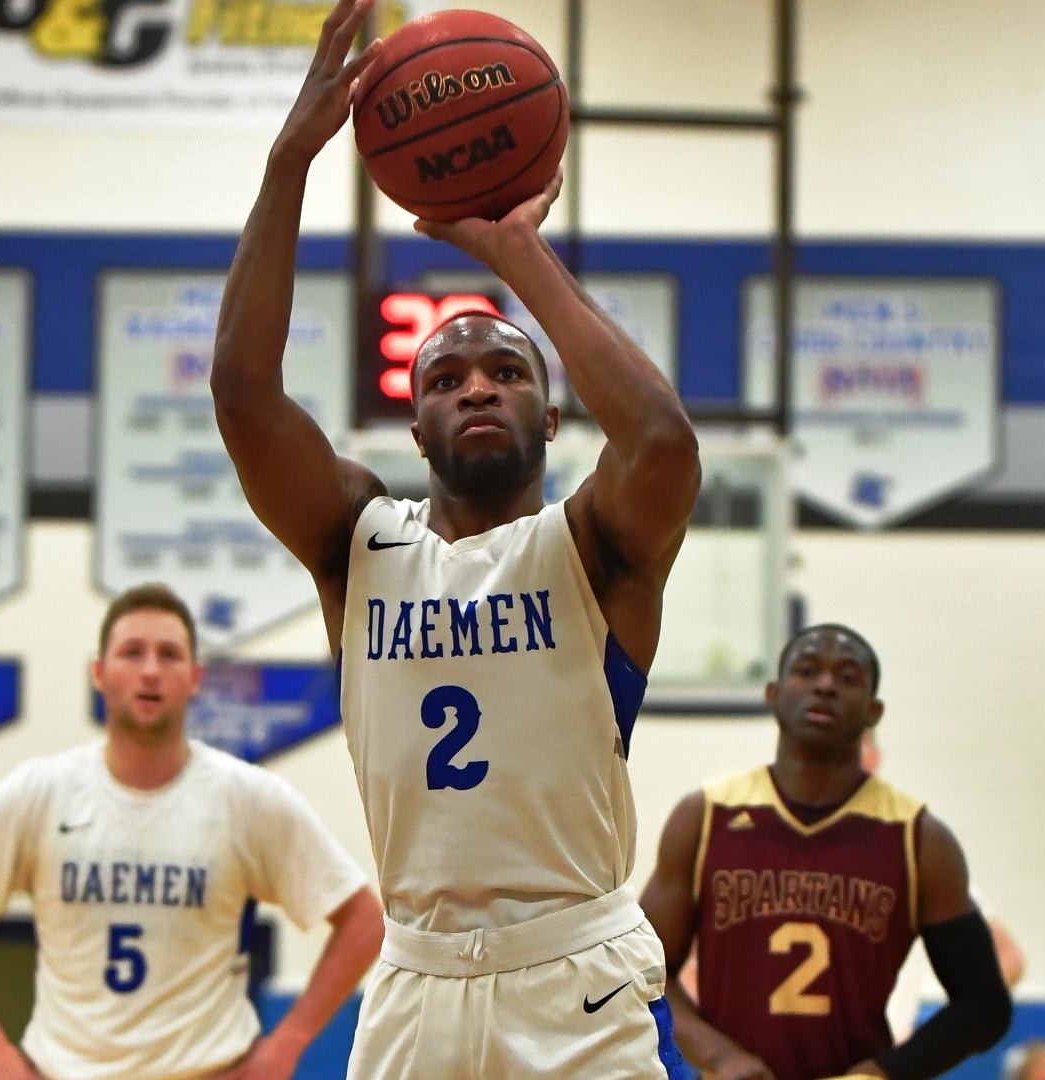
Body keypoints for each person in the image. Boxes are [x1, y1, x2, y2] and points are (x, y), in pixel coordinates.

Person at [211, 0, 704, 1074]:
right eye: (446, 377)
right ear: (415, 422)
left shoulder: (594, 548)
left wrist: (516, 251)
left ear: (551, 414)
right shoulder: (357, 545)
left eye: (506, 371)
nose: (476, 385)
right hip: (413, 980)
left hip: (573, 973)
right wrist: (289, 162)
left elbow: (662, 440)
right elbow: (245, 397)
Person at [0, 584, 384, 1080]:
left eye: (169, 655)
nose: (150, 670)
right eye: (132, 653)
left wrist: (287, 1045)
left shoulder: (246, 798)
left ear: (195, 678)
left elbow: (364, 920)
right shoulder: (41, 791)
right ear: (99, 673)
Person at [640, 624, 1013, 1080]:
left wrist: (885, 1071)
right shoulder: (705, 817)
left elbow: (984, 1005)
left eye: (847, 677)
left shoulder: (918, 839)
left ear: (873, 711)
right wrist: (719, 1057)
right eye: (807, 670)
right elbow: (643, 975)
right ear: (773, 694)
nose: (825, 685)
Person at [869, 731, 1025, 1041]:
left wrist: (932, 1039)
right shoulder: (780, 851)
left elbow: (1007, 958)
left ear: (874, 757)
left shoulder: (913, 850)